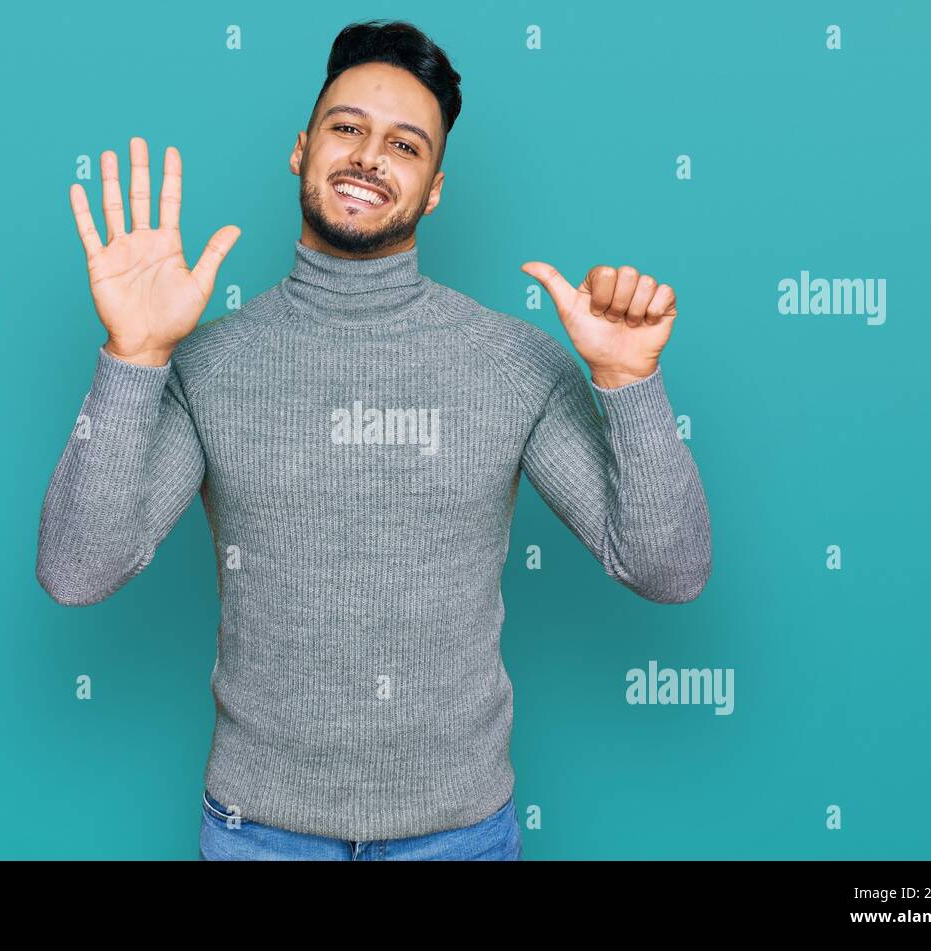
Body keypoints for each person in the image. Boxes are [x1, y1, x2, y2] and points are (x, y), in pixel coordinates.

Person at [36, 19, 712, 861]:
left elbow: (669, 570)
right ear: (301, 147)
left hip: (459, 834)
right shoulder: (211, 364)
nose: (367, 156)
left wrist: (630, 384)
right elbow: (75, 571)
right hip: (259, 834)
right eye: (347, 127)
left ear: (432, 191)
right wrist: (134, 356)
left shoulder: (511, 361)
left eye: (404, 143)